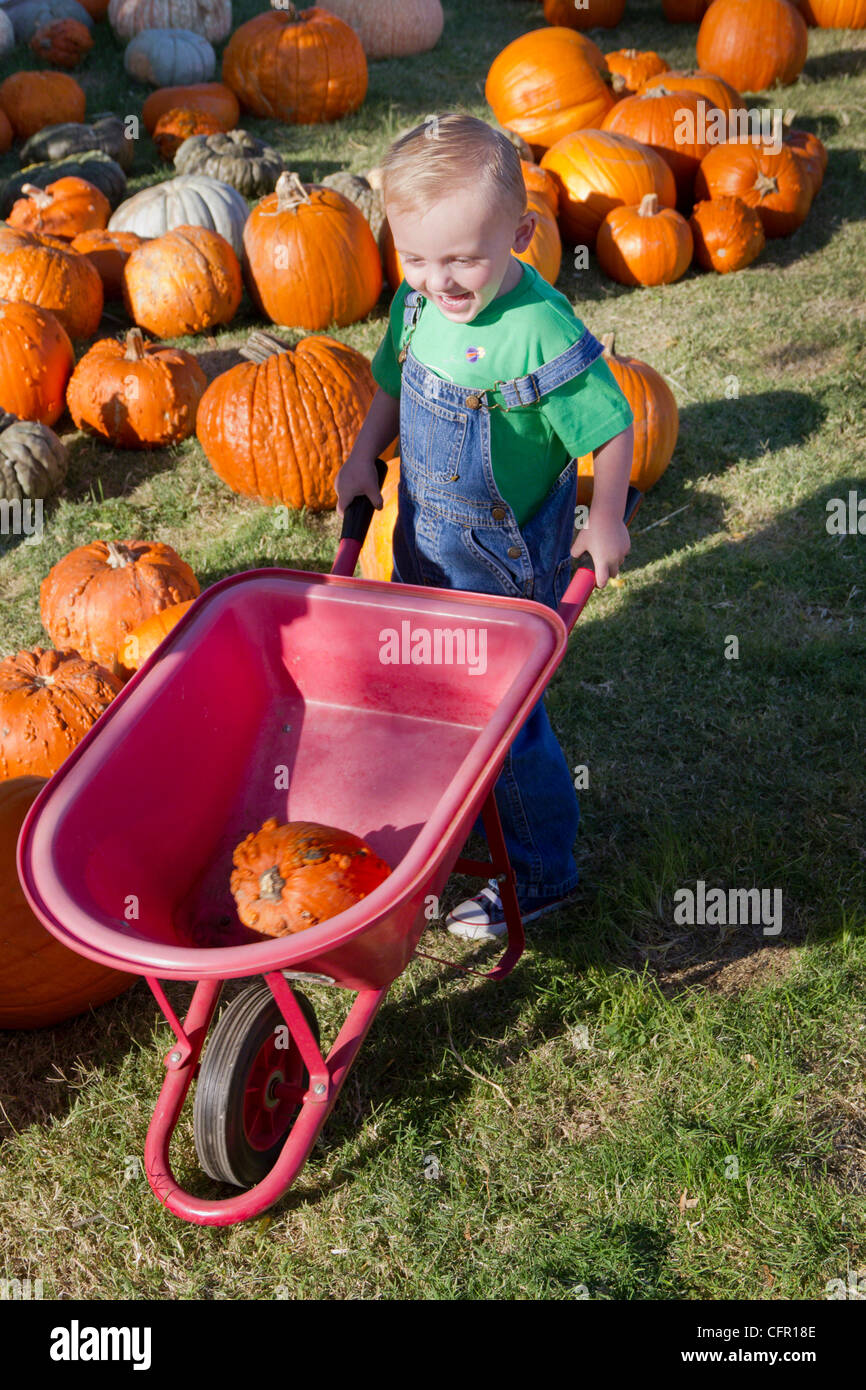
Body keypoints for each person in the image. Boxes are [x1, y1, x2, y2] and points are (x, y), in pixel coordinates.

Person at [335, 112, 635, 941]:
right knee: (430, 700)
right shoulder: (419, 301)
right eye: (419, 257)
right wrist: (366, 456)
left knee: (504, 722)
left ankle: (540, 871)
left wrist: (604, 515)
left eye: (465, 256)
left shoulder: (537, 327)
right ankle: (454, 824)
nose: (441, 280)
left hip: (503, 566)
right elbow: (396, 383)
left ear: (522, 233)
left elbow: (612, 428)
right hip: (425, 545)